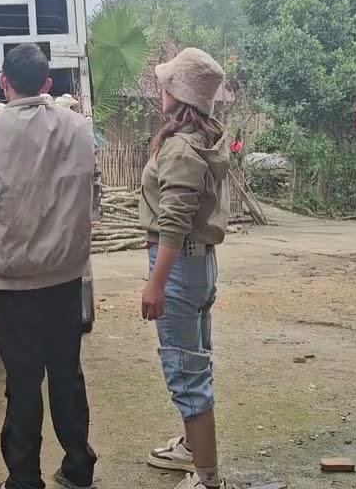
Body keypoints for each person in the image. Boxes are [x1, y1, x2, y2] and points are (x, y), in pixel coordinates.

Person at [0, 43, 100, 489]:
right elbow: (93, 192)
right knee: (67, 375)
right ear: (47, 84)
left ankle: (24, 479)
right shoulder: (80, 127)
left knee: (22, 382)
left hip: (17, 284)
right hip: (67, 278)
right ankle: (78, 467)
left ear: (4, 82)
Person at [139, 47, 231, 489]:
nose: (162, 90)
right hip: (199, 264)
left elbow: (174, 221)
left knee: (186, 372)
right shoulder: (206, 138)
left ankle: (207, 478)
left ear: (180, 94)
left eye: (167, 84)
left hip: (178, 265)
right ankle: (194, 449)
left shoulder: (180, 147)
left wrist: (155, 283)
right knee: (196, 361)